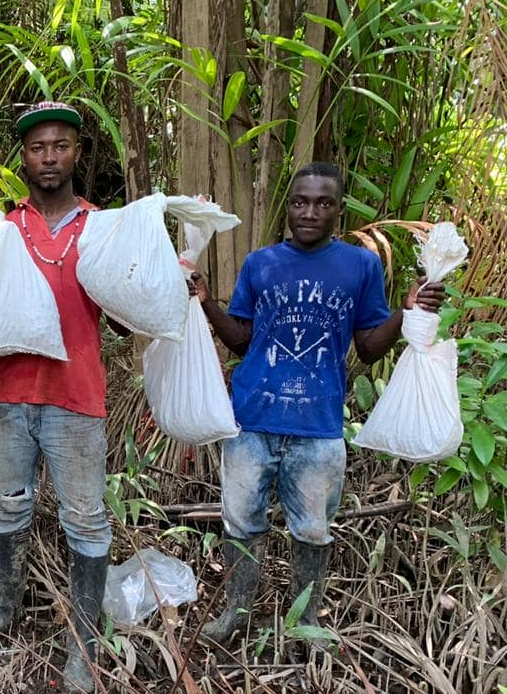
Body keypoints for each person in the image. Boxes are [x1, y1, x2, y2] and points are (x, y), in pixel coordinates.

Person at [190, 161, 445, 644]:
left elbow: (369, 347)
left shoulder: (360, 266)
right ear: (288, 205)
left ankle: (303, 624)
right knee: (242, 523)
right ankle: (236, 614)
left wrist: (404, 311)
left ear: (338, 210)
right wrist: (207, 302)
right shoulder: (260, 263)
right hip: (252, 419)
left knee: (311, 531)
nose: (310, 211)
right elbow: (242, 341)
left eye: (323, 203)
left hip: (319, 424)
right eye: (300, 201)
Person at [0, 100, 120, 693]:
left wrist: (171, 282)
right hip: (8, 396)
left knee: (85, 522)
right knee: (9, 506)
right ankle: (5, 615)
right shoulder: (5, 229)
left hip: (75, 397)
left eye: (60, 146)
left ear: (77, 153)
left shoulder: (102, 228)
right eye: (38, 147)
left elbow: (122, 316)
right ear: (24, 155)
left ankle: (84, 645)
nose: (48, 157)